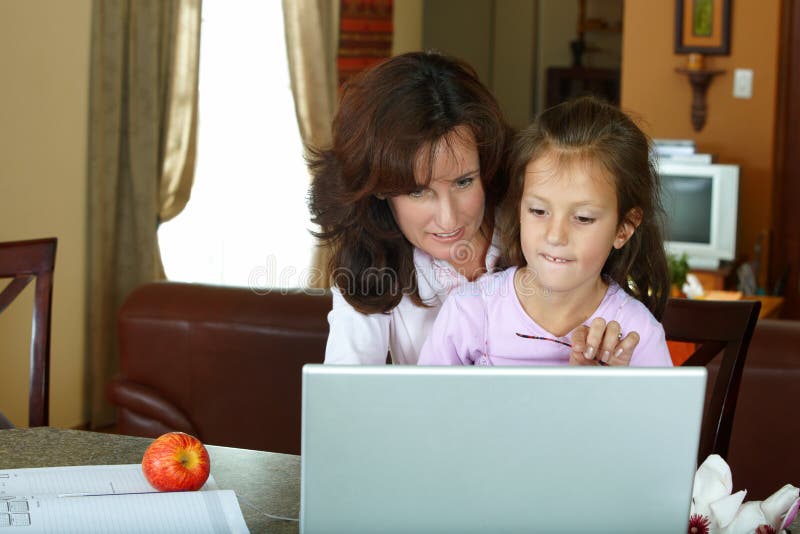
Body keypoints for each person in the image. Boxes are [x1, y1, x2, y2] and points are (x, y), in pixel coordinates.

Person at [418, 96, 673, 367]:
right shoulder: (471, 312)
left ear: (624, 228)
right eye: (538, 212)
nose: (555, 236)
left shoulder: (635, 335)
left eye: (583, 218)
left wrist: (606, 393)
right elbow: (423, 407)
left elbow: (663, 411)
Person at [307, 51, 512, 365]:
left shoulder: (536, 225)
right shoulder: (369, 257)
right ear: (378, 189)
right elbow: (347, 391)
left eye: (464, 182)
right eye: (418, 191)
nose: (449, 219)